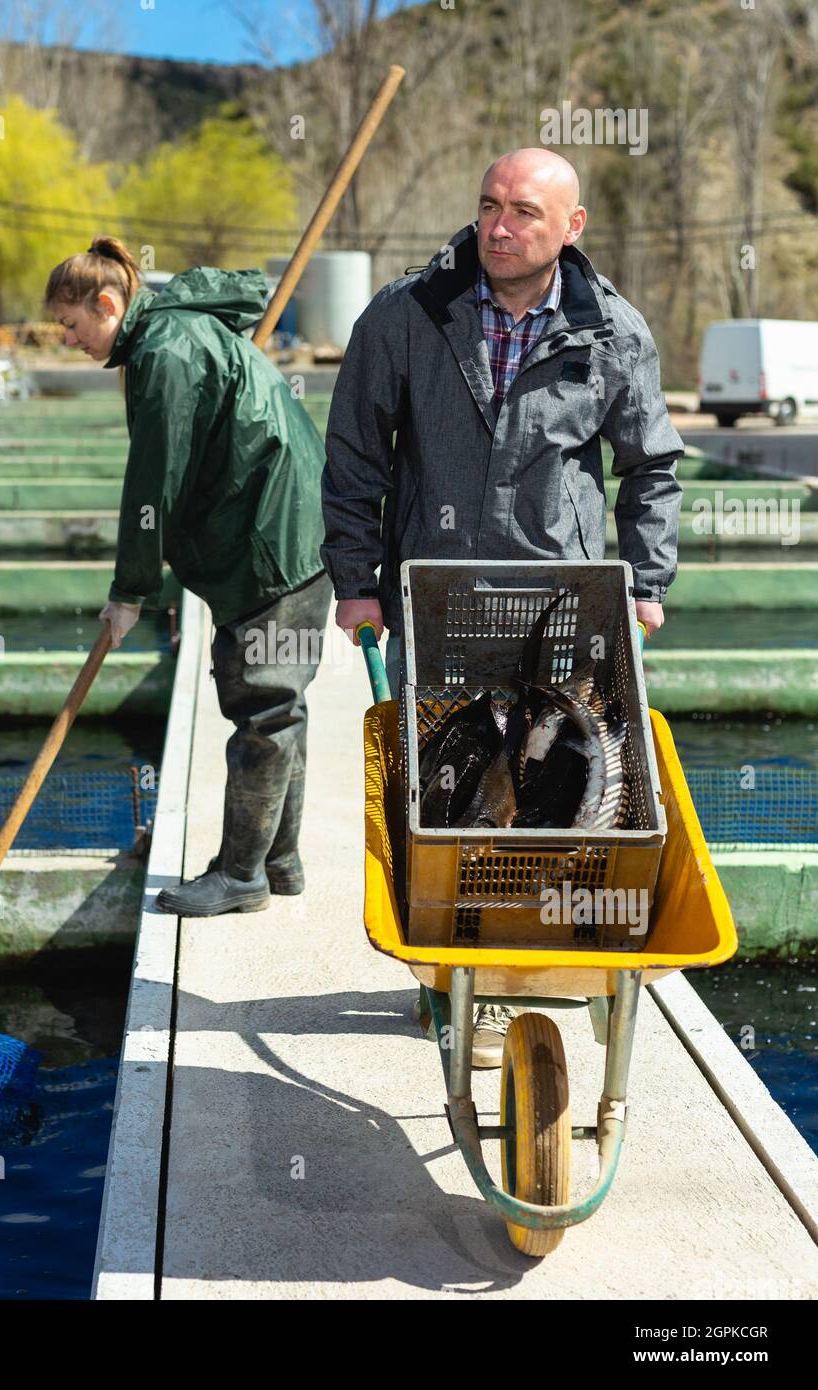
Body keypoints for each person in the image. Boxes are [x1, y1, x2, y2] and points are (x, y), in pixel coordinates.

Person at [321, 148, 684, 1064]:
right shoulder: (407, 316)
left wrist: (645, 584)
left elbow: (652, 470)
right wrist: (356, 581)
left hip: (561, 607)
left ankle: (537, 954)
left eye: (524, 210)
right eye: (488, 205)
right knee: (442, 792)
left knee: (553, 783)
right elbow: (355, 456)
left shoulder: (612, 333)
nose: (498, 225)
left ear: (572, 227)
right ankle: (456, 978)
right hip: (433, 599)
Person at [45, 238, 331, 916]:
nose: (67, 339)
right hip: (284, 532)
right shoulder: (173, 334)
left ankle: (241, 878)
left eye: (71, 324)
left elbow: (154, 484)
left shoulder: (164, 355)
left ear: (108, 304)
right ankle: (275, 859)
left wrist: (129, 592)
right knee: (278, 705)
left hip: (275, 542)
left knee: (265, 706)